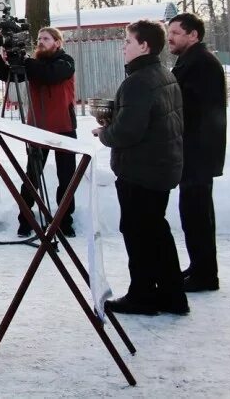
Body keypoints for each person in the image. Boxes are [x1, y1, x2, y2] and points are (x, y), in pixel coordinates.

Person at [93, 20, 188, 316]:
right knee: (156, 231)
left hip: (141, 171)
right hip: (160, 166)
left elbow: (128, 132)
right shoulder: (162, 74)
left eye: (128, 42)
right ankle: (172, 295)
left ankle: (143, 295)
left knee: (139, 233)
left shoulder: (139, 81)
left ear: (144, 46)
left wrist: (105, 132)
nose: (124, 47)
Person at [0, 27, 78, 237]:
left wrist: (26, 60)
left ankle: (65, 222)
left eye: (46, 38)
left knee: (66, 178)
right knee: (32, 178)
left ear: (57, 42)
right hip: (37, 128)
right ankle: (25, 221)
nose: (41, 42)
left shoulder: (65, 62)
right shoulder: (34, 64)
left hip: (64, 127)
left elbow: (49, 75)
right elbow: (8, 75)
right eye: (39, 38)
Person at [167, 12, 226, 293]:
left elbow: (189, 106)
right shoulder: (191, 61)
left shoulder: (200, 63)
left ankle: (205, 274)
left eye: (177, 33)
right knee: (192, 212)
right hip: (195, 150)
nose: (170, 37)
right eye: (170, 32)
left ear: (194, 35)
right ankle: (199, 267)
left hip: (198, 150)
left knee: (197, 212)